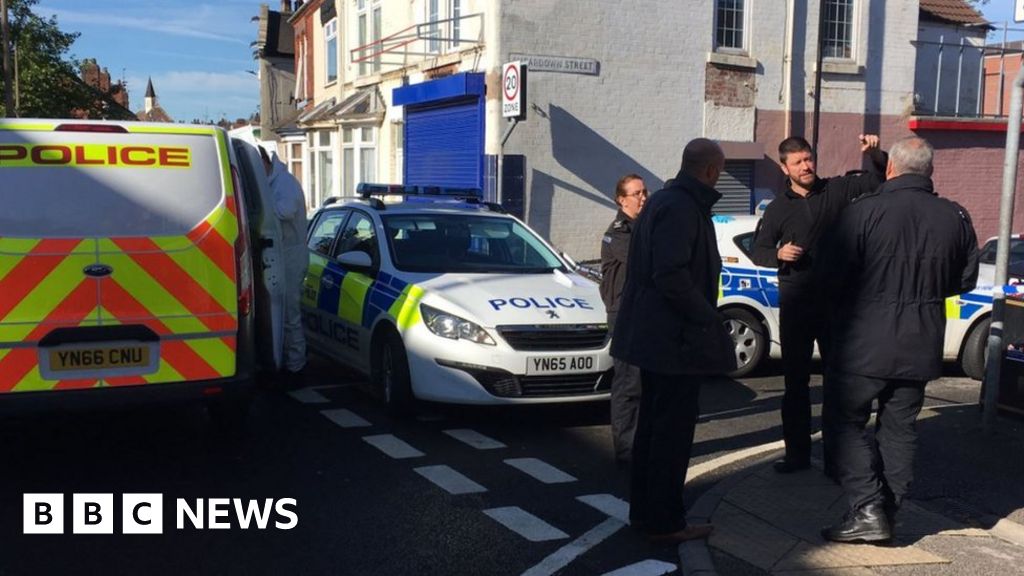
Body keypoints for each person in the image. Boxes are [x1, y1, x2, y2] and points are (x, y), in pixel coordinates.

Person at [820, 137, 978, 543]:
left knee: (846, 423)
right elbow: (964, 280)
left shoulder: (864, 212)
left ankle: (868, 507)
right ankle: (886, 512)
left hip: (863, 342)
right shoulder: (955, 217)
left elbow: (831, 274)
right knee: (899, 429)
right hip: (921, 341)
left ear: (890, 167)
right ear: (929, 172)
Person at [612, 139, 736, 544]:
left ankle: (646, 515)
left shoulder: (665, 202)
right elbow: (671, 276)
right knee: (669, 435)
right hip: (673, 342)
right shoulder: (682, 208)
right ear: (711, 171)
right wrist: (707, 317)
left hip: (656, 338)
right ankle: (665, 522)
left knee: (652, 430)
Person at [750, 134, 886, 476]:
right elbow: (759, 250)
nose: (806, 166)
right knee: (795, 384)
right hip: (796, 305)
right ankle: (796, 455)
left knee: (837, 383)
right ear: (785, 168)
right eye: (797, 162)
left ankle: (835, 458)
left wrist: (875, 154)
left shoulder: (837, 190)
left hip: (834, 304)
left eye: (808, 159)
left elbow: (878, 180)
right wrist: (777, 254)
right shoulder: (778, 207)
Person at [600, 173, 647, 468]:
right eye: (637, 193)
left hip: (643, 314)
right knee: (628, 385)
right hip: (625, 315)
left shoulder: (642, 227)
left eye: (645, 192)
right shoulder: (619, 232)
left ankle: (639, 443)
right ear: (621, 199)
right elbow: (643, 259)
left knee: (643, 382)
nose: (643, 197)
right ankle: (626, 450)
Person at [260, 146, 309, 381]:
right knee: (280, 312)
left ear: (265, 161)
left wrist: (261, 207)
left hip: (291, 254)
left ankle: (296, 368)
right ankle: (286, 362)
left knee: (290, 313)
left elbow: (287, 210)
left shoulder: (285, 183)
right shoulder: (273, 181)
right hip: (281, 254)